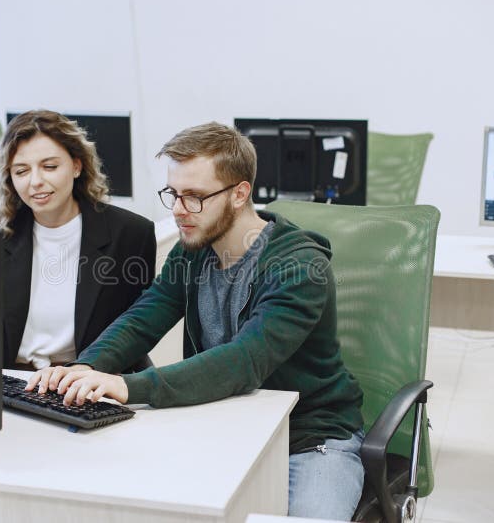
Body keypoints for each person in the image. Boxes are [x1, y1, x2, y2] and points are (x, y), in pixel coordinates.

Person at [25, 122, 364, 519]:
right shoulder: (194, 251)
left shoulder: (298, 266)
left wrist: (125, 386)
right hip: (225, 428)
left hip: (309, 438)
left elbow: (245, 360)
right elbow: (143, 318)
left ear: (240, 193)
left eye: (195, 197)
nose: (179, 210)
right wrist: (86, 366)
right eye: (174, 194)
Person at [0, 110, 156, 370]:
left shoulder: (130, 234)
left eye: (50, 167)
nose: (36, 181)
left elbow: (136, 331)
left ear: (77, 166)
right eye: (22, 171)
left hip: (84, 380)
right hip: (8, 380)